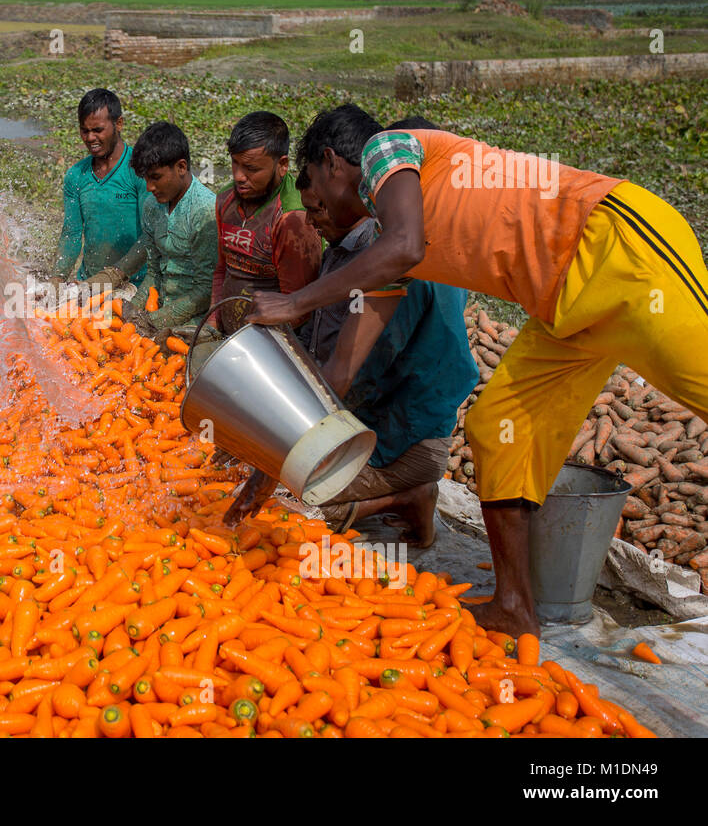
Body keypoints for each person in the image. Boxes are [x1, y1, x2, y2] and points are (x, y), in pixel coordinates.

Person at [248, 103, 708, 635]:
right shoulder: (386, 243)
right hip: (560, 310)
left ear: (331, 163)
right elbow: (340, 374)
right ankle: (515, 606)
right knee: (497, 429)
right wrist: (272, 463)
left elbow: (404, 246)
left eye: (314, 192)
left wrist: (296, 302)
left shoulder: (388, 150)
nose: (313, 211)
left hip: (615, 246)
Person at [226, 128, 479, 546]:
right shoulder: (364, 250)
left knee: (294, 503)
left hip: (404, 439)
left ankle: (409, 495)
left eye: (320, 205)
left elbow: (343, 380)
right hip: (377, 422)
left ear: (335, 168)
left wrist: (269, 470)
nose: (312, 219)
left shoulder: (392, 264)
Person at [87, 122, 218, 339]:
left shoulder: (204, 211)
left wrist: (152, 322)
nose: (149, 187)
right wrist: (131, 313)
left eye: (155, 177)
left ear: (181, 167)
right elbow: (154, 273)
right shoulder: (152, 205)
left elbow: (205, 292)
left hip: (195, 318)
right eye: (145, 179)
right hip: (158, 305)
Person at [209, 111, 322, 339]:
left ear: (282, 165)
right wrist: (213, 322)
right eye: (235, 163)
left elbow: (298, 308)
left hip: (273, 340)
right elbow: (222, 269)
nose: (239, 176)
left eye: (251, 169)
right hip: (230, 334)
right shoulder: (225, 200)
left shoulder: (293, 219)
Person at [48, 89, 148, 290]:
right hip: (89, 283)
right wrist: (57, 279)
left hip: (134, 283)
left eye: (98, 130)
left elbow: (151, 234)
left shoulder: (139, 170)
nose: (90, 138)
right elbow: (71, 233)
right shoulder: (76, 176)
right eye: (84, 131)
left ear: (118, 124)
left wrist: (115, 275)